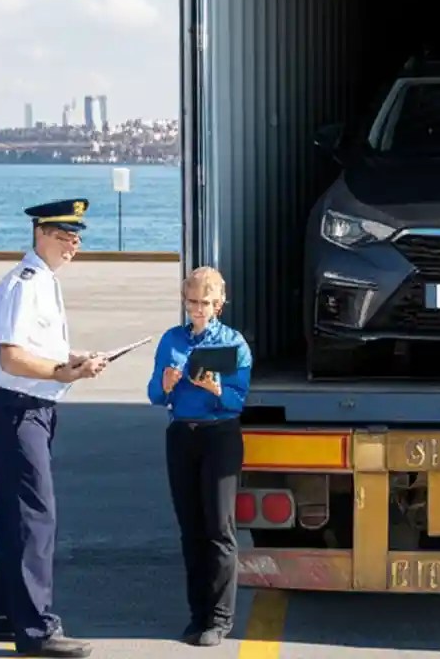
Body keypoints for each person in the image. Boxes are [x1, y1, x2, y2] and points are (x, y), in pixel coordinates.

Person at [0, 198, 110, 658]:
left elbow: (35, 350)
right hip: (20, 410)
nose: (73, 243)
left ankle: (5, 615)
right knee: (36, 519)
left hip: (31, 410)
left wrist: (70, 362)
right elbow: (10, 356)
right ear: (40, 233)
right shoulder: (26, 284)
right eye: (63, 235)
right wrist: (63, 371)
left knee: (20, 518)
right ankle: (36, 631)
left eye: (76, 236)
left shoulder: (44, 282)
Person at [146, 266, 252, 647]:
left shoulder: (234, 343)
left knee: (218, 528)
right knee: (190, 528)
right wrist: (165, 384)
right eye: (192, 302)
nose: (198, 309)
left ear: (219, 303)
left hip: (219, 434)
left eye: (205, 303)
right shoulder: (172, 340)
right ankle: (198, 614)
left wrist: (217, 388)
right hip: (182, 433)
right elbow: (155, 396)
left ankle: (220, 618)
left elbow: (239, 399)